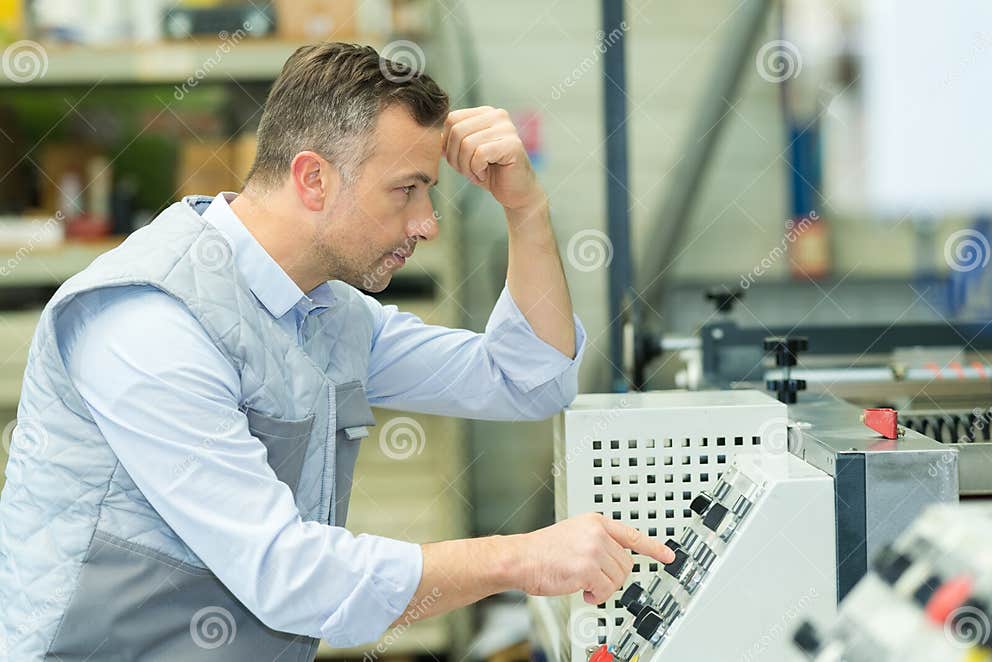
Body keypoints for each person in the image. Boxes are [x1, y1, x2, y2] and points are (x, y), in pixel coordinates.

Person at [0, 42, 673, 660]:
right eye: (406, 190)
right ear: (314, 179)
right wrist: (519, 559)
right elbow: (285, 574)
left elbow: (527, 381)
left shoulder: (325, 312)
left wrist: (525, 210)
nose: (426, 224)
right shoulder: (150, 323)